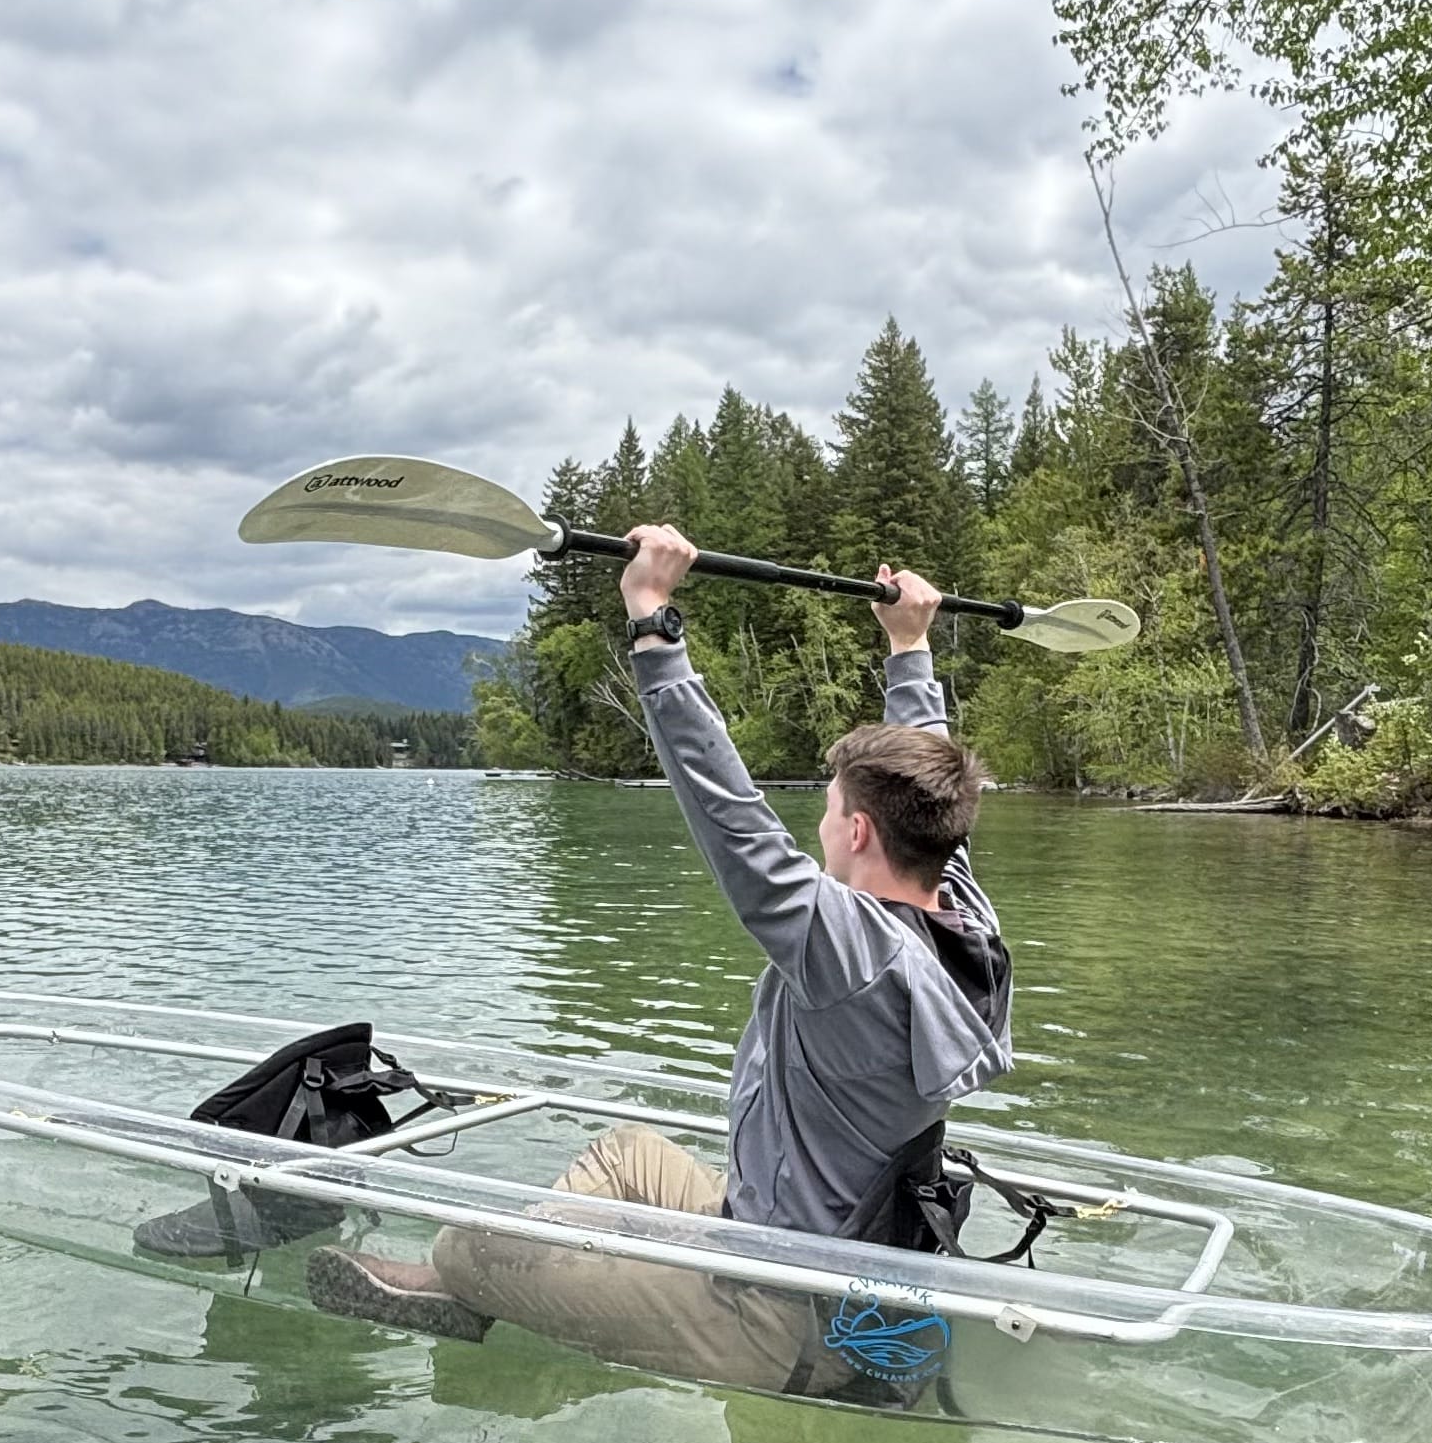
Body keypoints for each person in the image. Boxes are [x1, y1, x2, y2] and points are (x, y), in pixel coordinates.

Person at [306, 524, 1013, 1396]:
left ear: (859, 831)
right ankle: (522, 1299)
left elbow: (728, 809)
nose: (819, 826)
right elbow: (938, 797)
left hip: (773, 1314)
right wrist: (911, 649)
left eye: (829, 810)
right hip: (804, 1253)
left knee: (466, 1244)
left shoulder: (845, 948)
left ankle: (478, 1289)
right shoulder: (964, 922)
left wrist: (653, 622)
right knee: (625, 1156)